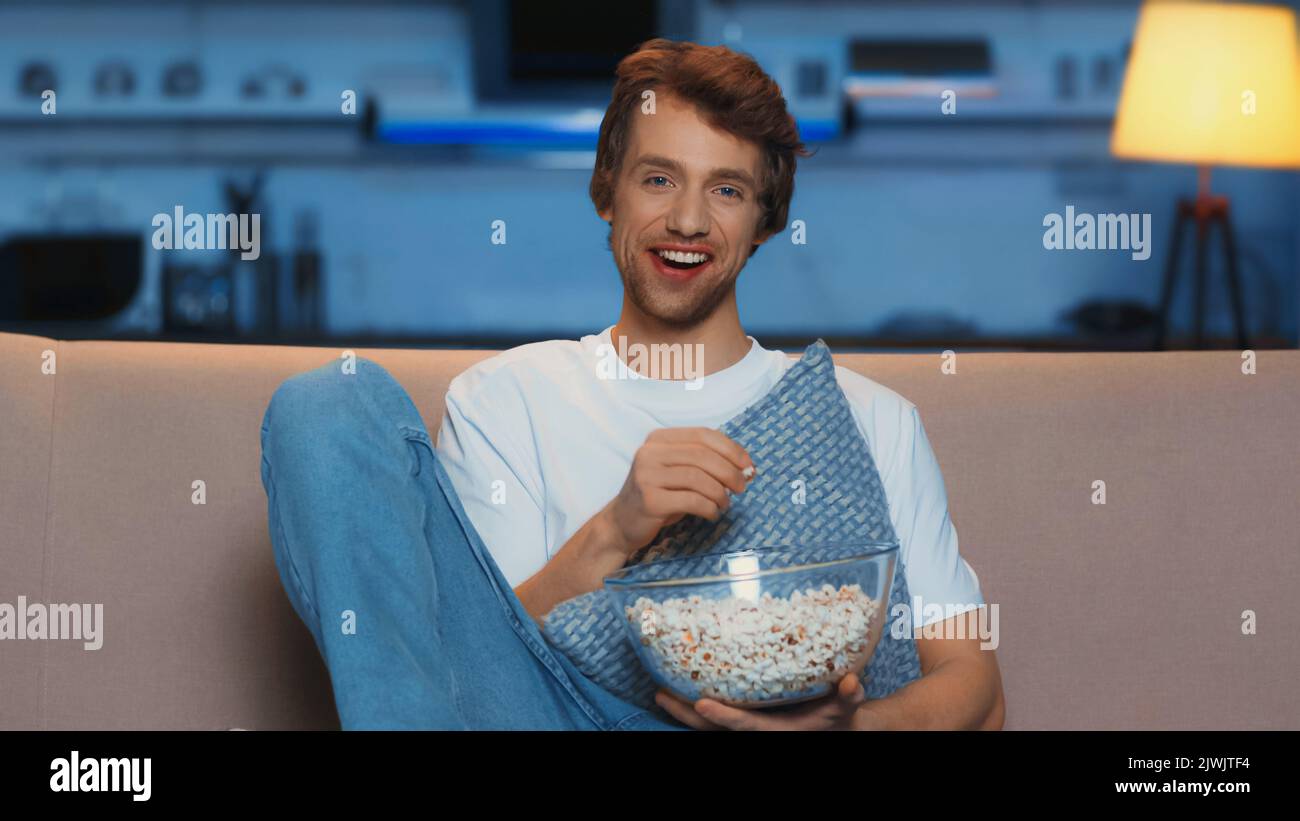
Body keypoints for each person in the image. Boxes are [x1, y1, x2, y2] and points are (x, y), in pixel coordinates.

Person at [260, 38, 1004, 731]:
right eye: (658, 179)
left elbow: (978, 685)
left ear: (765, 221)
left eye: (727, 191)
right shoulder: (506, 398)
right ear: (606, 193)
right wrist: (615, 530)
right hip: (560, 716)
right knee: (326, 401)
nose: (687, 219)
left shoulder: (873, 418)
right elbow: (467, 659)